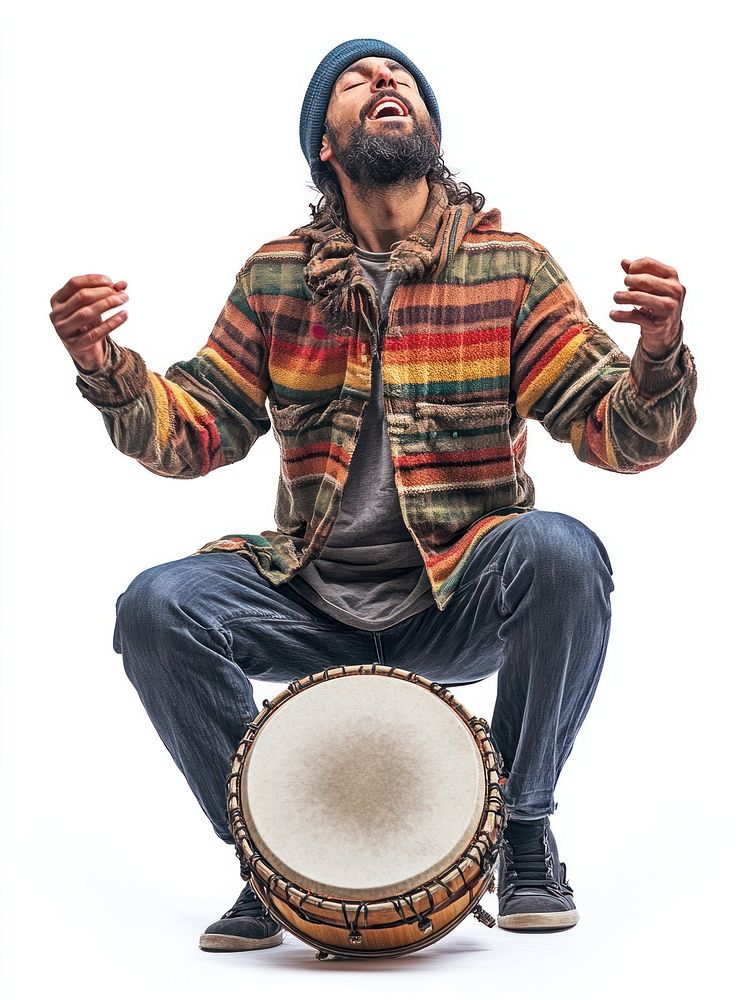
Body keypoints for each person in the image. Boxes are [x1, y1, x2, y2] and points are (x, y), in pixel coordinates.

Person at [49, 37, 697, 952]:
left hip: (457, 591)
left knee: (560, 549)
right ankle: (274, 858)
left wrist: (658, 355)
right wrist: (103, 366)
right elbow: (196, 431)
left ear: (428, 128)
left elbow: (618, 435)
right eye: (357, 80)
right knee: (155, 606)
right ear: (325, 143)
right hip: (310, 594)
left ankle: (520, 831)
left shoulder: (511, 267)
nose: (386, 80)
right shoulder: (277, 277)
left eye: (402, 79)